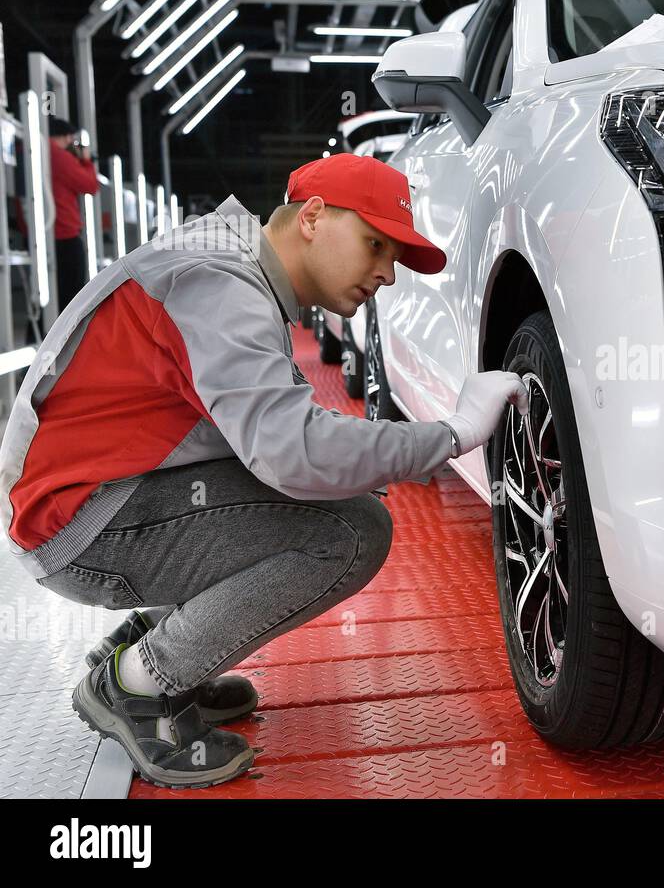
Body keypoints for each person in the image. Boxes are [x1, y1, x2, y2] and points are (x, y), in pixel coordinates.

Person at [0, 153, 526, 788]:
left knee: (333, 502)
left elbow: (271, 438)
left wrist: (357, 462)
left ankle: (155, 653)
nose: (386, 275)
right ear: (312, 217)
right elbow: (293, 451)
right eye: (375, 245)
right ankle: (139, 684)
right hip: (80, 524)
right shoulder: (219, 282)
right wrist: (453, 435)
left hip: (98, 498)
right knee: (352, 533)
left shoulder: (230, 265)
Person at [46, 117, 101, 311]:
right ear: (65, 137)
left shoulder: (41, 152)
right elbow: (90, 185)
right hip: (64, 232)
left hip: (47, 229)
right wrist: (86, 161)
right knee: (72, 294)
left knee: (53, 292)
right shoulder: (58, 156)